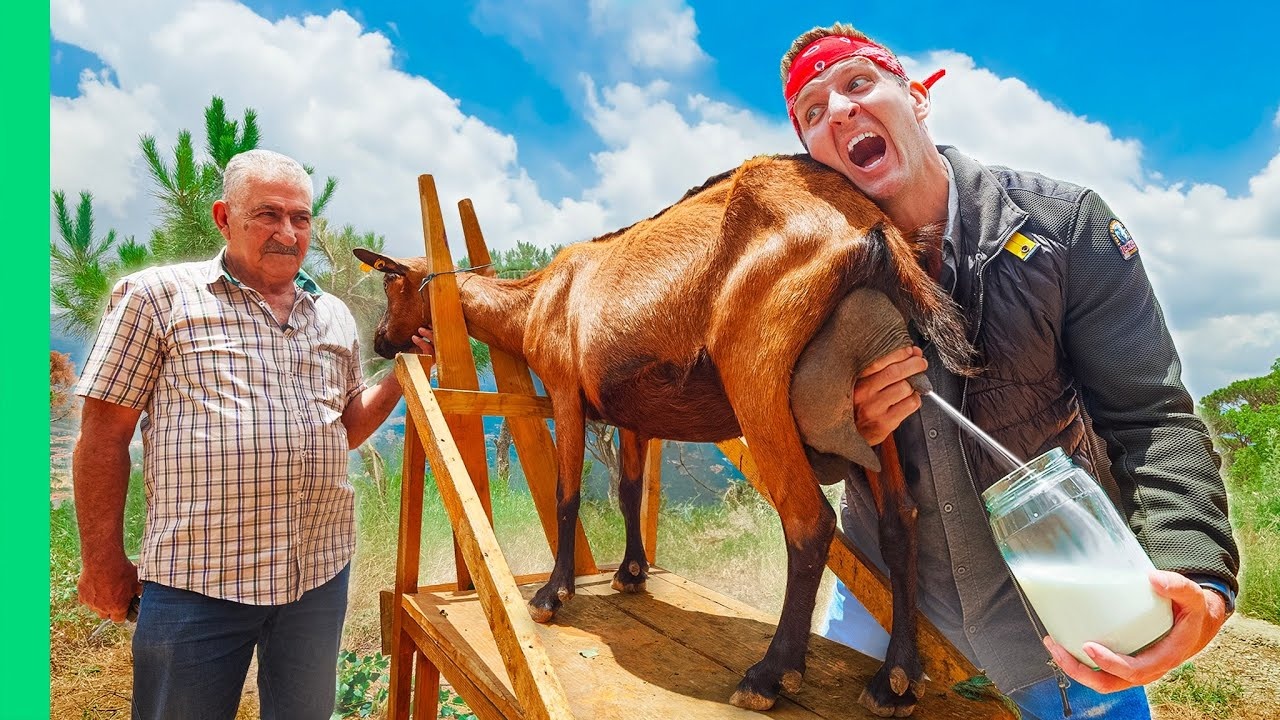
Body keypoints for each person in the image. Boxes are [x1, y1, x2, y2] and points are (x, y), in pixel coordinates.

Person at [779, 24, 1239, 719]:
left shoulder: (1064, 227)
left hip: (1069, 647)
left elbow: (1150, 416)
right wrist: (838, 427)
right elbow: (791, 443)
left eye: (857, 83)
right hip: (880, 627)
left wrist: (1199, 568)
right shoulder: (808, 280)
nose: (839, 109)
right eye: (813, 110)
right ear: (812, 153)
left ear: (916, 98)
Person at [72, 149, 433, 719]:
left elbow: (345, 427)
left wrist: (406, 373)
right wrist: (102, 559)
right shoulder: (157, 298)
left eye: (301, 218)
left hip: (316, 573)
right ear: (223, 217)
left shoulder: (332, 314)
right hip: (200, 579)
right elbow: (102, 437)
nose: (287, 232)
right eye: (267, 214)